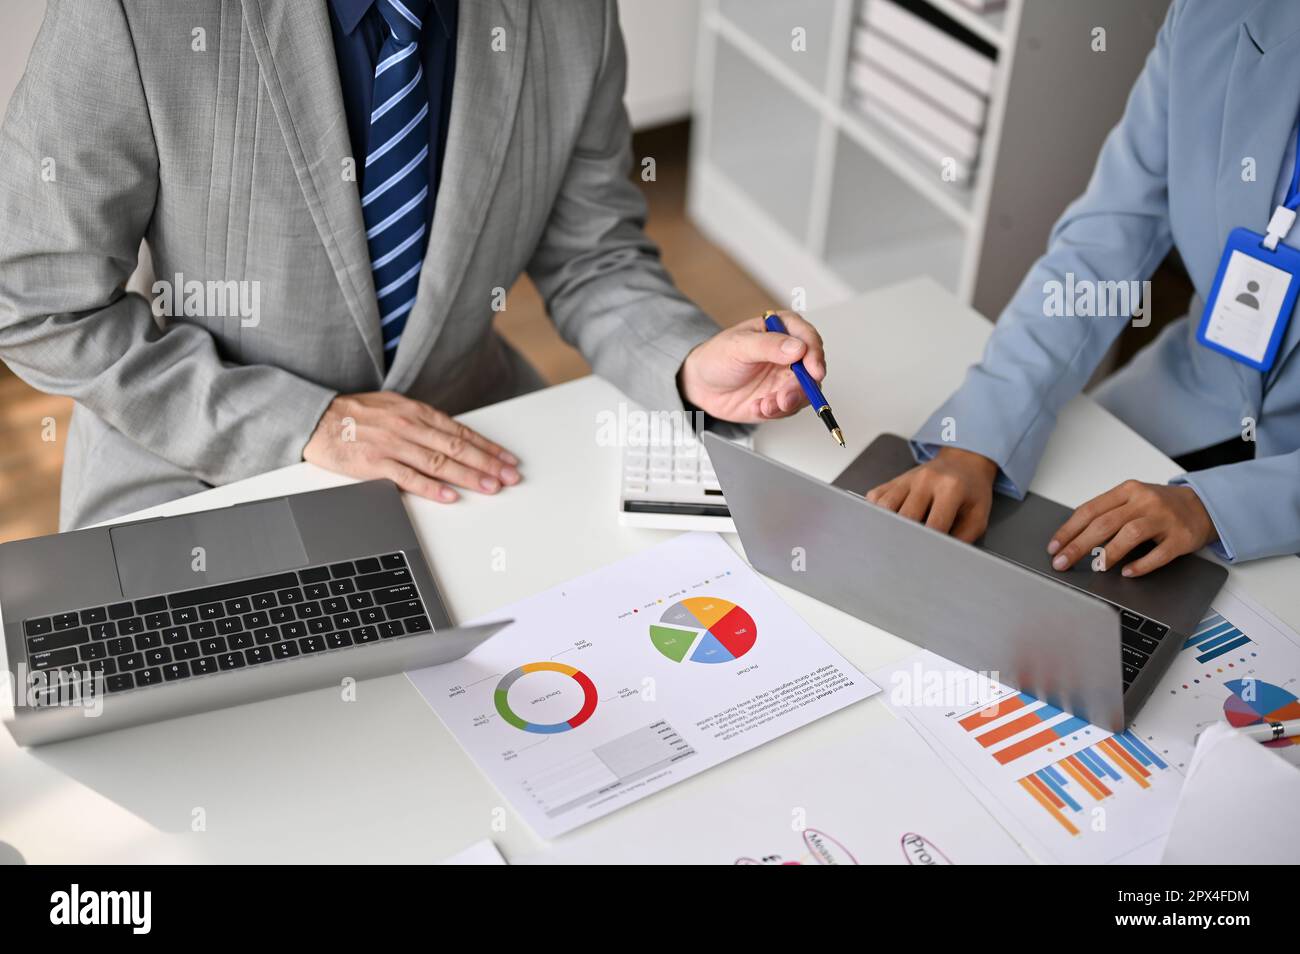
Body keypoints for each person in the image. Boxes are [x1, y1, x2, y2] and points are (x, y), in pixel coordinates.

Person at [0, 0, 824, 529]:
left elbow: (594, 258)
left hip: (467, 442)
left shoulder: (571, 17)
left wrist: (686, 361)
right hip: (198, 458)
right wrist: (310, 423)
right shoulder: (131, 13)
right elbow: (36, 303)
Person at [869, 0, 1300, 574]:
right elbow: (1103, 243)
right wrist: (978, 435)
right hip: (1191, 399)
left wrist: (1216, 508)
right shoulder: (1213, 17)